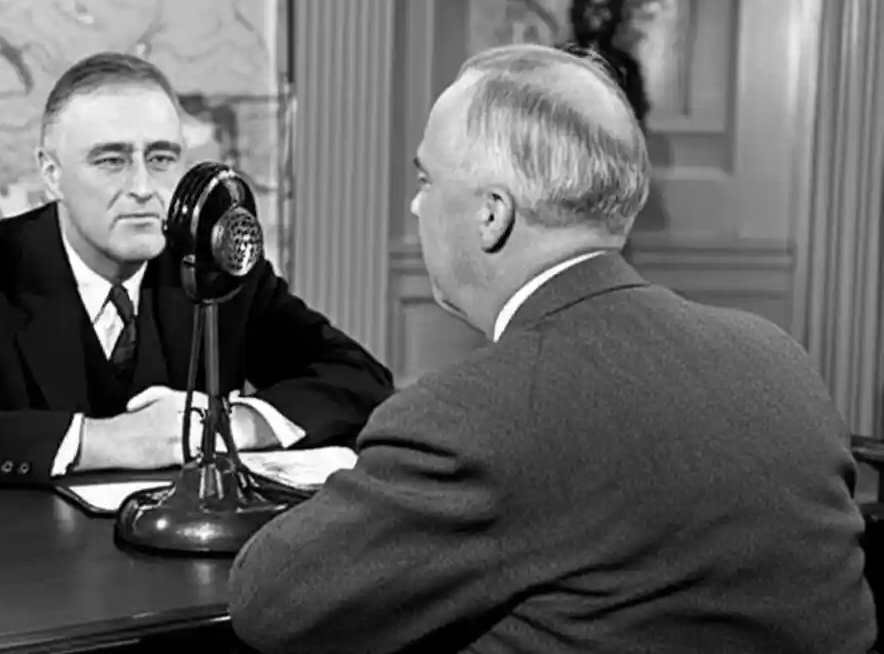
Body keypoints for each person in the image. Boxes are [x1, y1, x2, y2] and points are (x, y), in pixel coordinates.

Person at [228, 44, 875, 653]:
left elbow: (270, 600)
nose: (416, 207)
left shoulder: (481, 416)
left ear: (492, 214)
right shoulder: (776, 357)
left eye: (426, 181)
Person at [0, 51, 394, 485]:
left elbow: (360, 378)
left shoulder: (216, 268)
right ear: (51, 174)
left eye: (160, 159)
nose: (142, 187)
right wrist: (107, 440)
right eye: (111, 160)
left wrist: (229, 426)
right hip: (34, 578)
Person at [559, 0, 649, 128]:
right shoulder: (557, 61)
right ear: (578, 11)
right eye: (591, 6)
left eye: (604, 7)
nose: (597, 14)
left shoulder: (626, 68)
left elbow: (635, 126)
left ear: (616, 15)